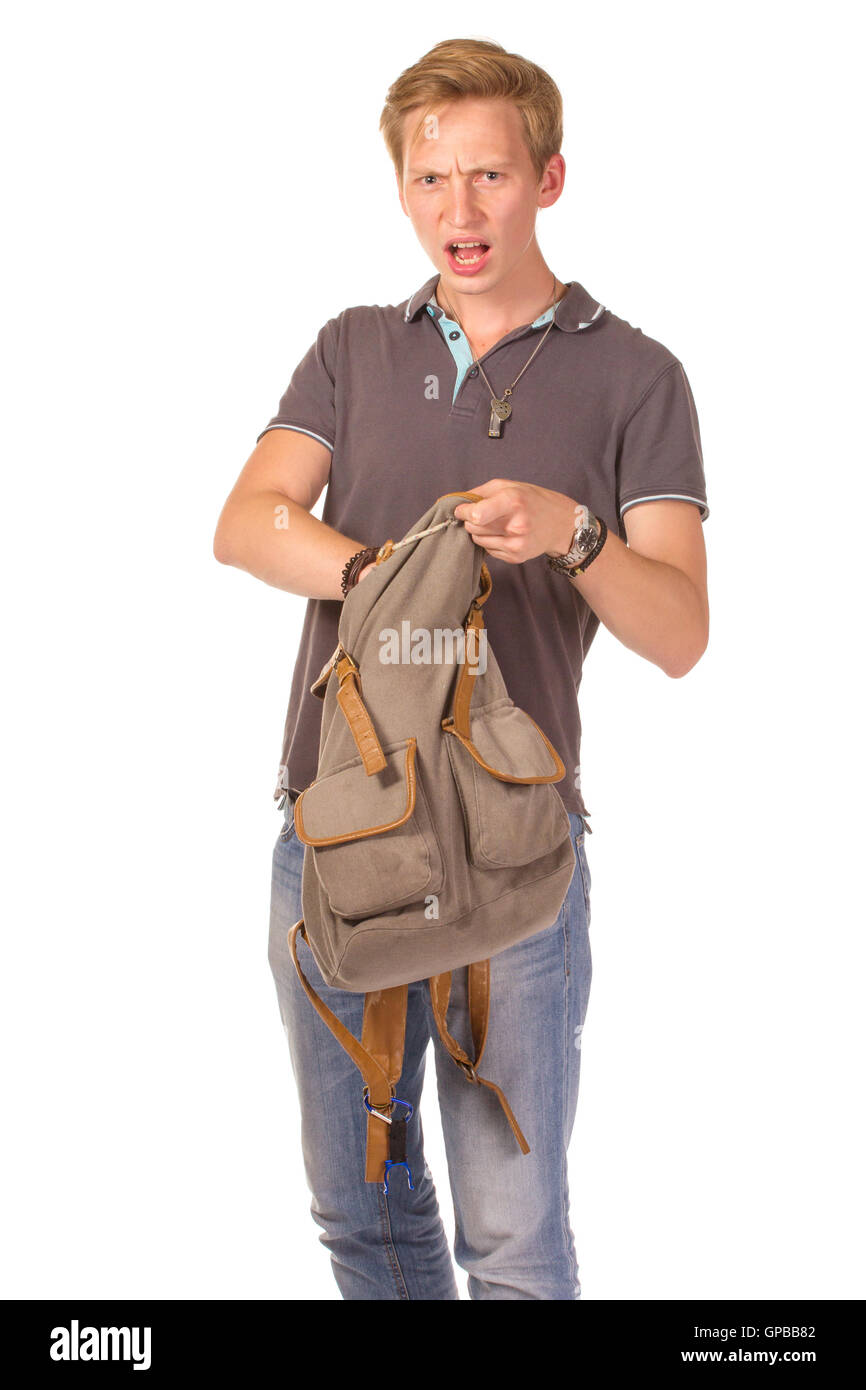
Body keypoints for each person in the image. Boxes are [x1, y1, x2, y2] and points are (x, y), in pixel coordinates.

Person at [213, 36, 709, 1301]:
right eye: (428, 179)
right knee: (357, 1211)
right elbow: (247, 519)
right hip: (337, 833)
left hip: (514, 848)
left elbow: (678, 633)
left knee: (514, 1241)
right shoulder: (353, 346)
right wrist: (389, 572)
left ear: (547, 178)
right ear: (400, 189)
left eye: (486, 176)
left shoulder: (635, 376)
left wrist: (570, 532)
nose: (457, 210)